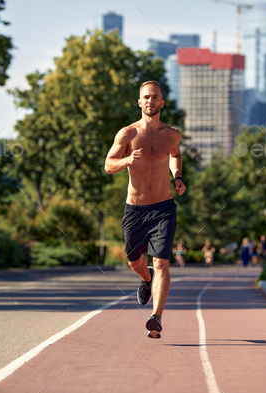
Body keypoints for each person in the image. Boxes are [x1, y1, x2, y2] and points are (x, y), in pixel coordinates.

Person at [104, 81, 186, 339]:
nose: (151, 100)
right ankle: (145, 278)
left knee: (161, 262)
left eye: (156, 97)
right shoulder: (127, 133)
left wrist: (178, 177)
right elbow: (108, 164)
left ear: (162, 102)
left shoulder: (172, 134)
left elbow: (175, 155)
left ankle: (156, 317)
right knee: (134, 261)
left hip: (163, 207)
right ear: (140, 102)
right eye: (146, 97)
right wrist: (128, 160)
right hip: (135, 209)